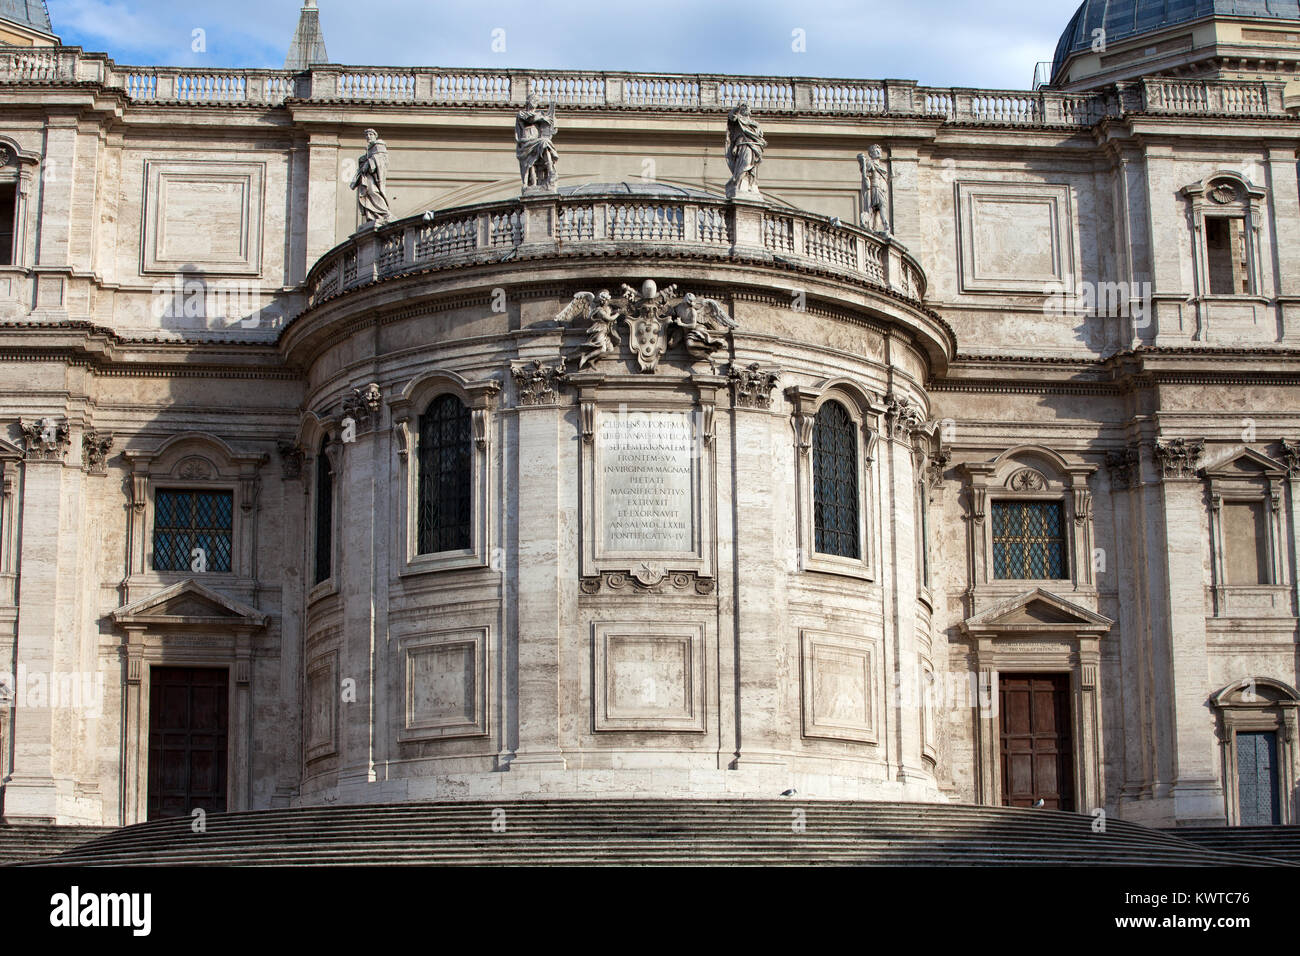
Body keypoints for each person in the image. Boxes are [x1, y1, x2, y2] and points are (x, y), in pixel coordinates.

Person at [516, 93, 559, 191]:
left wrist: (552, 123)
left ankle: (551, 170)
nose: (535, 103)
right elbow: (531, 119)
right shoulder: (522, 114)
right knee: (542, 144)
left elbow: (546, 128)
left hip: (536, 141)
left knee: (545, 142)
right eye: (533, 100)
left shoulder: (539, 114)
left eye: (536, 101)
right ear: (528, 102)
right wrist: (544, 118)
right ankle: (534, 182)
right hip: (526, 142)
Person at [725, 103, 766, 198]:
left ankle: (749, 184)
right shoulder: (739, 121)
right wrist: (736, 108)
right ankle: (738, 182)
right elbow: (731, 117)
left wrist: (760, 142)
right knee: (744, 164)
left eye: (748, 107)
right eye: (744, 108)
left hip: (754, 147)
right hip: (743, 146)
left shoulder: (755, 124)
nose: (746, 109)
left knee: (752, 167)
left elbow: (759, 135)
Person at [351, 128, 390, 225]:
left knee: (374, 191)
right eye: (367, 135)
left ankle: (383, 212)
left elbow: (381, 159)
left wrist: (368, 163)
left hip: (374, 176)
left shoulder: (379, 145)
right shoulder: (369, 149)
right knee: (368, 192)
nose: (368, 137)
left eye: (371, 134)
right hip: (367, 176)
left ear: (375, 136)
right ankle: (373, 215)